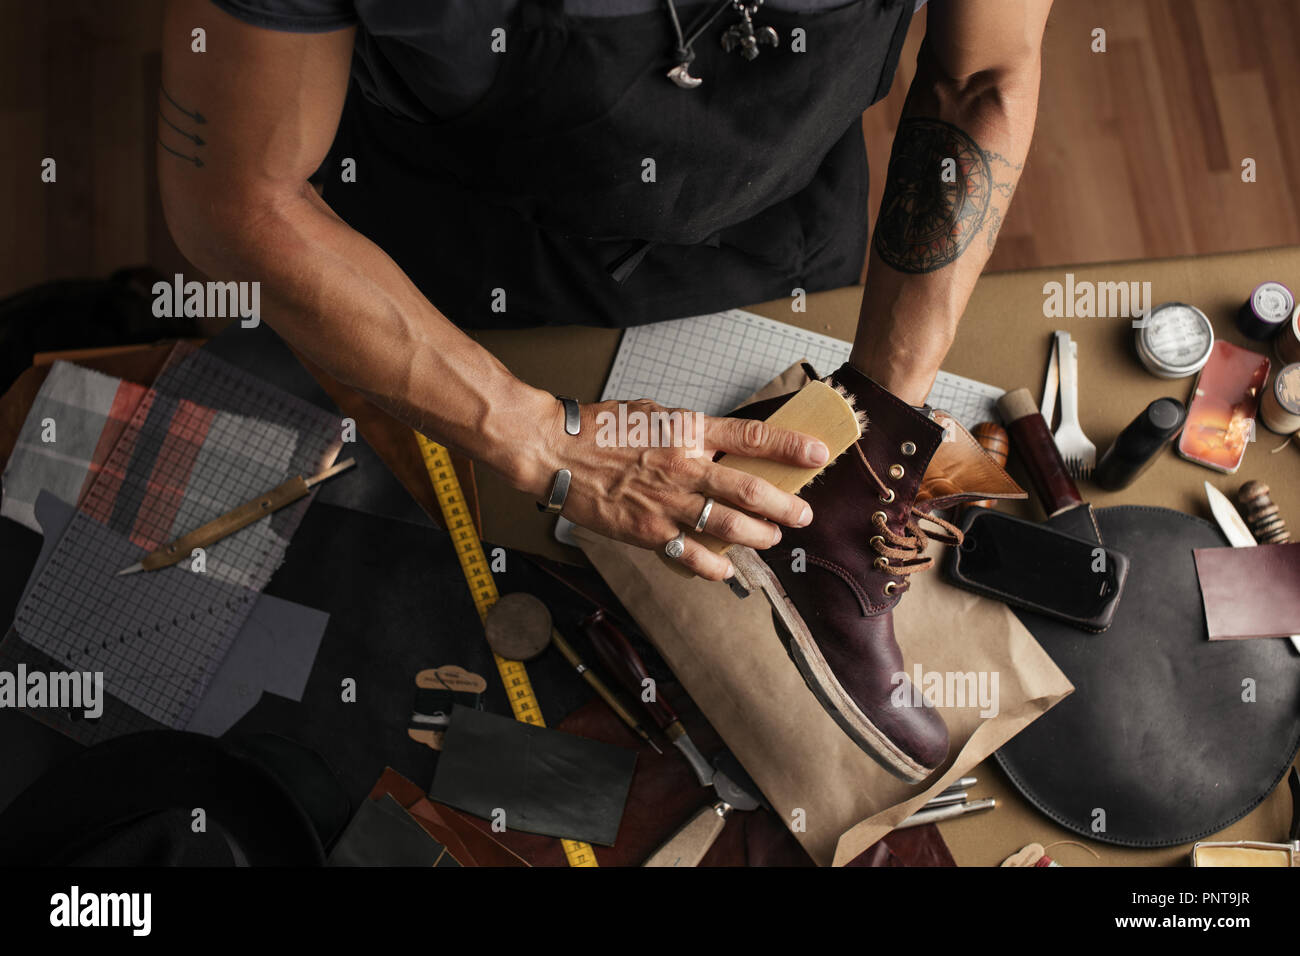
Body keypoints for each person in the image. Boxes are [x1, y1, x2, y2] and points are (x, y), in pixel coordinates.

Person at [159, 0, 1050, 779]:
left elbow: (983, 78)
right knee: (412, 594)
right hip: (446, 274)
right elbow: (237, 201)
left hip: (775, 231)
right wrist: (538, 437)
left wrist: (878, 422)